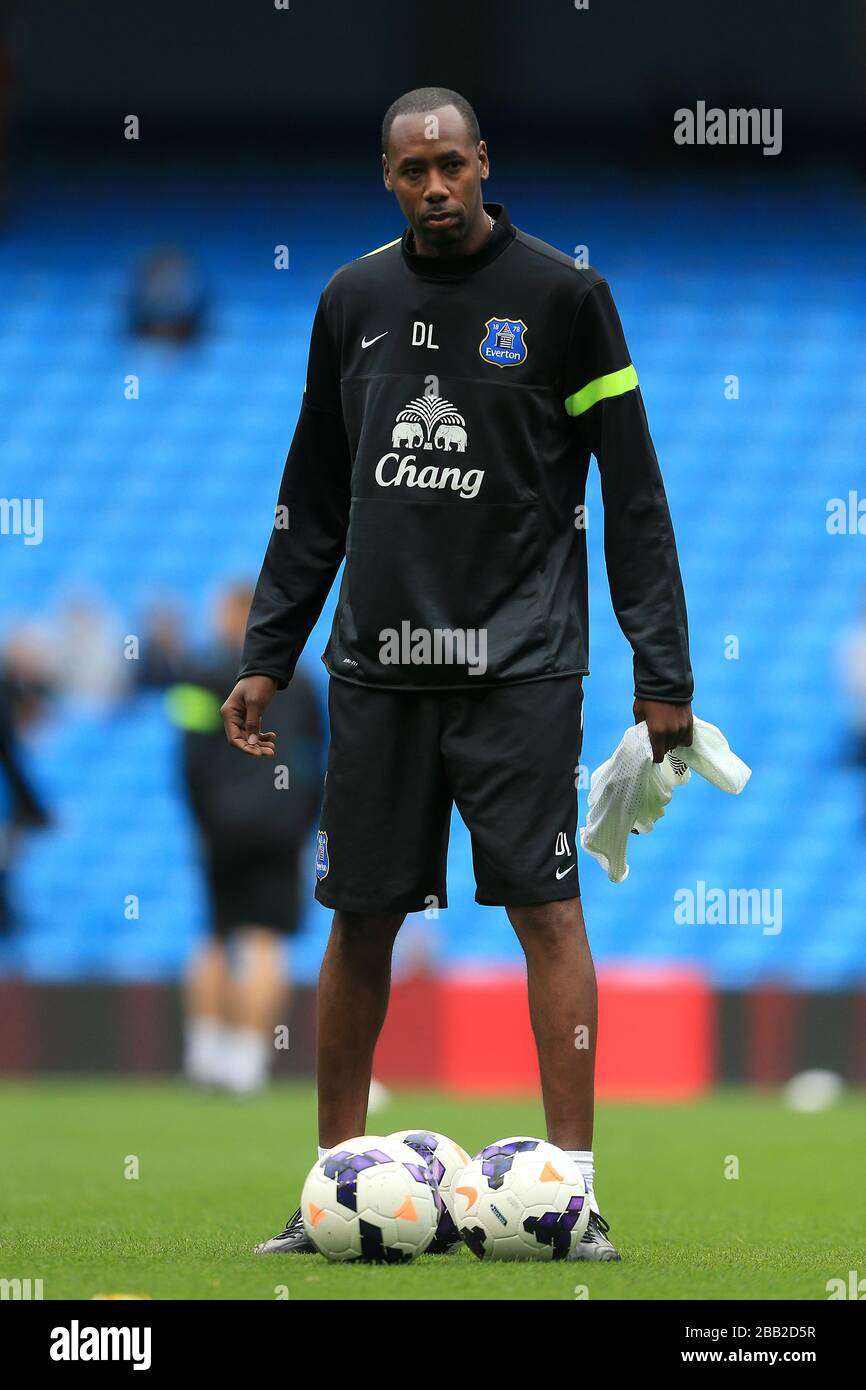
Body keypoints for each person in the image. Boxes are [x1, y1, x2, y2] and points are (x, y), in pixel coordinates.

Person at [220, 88, 694, 1256]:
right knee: (358, 921)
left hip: (518, 667)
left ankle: (571, 1192)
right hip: (377, 670)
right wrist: (267, 653)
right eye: (409, 169)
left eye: (449, 163)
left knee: (546, 913)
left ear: (483, 162)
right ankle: (331, 1183)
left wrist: (662, 673)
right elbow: (311, 494)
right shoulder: (351, 301)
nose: (432, 185)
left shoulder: (563, 300)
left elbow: (631, 496)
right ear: (386, 178)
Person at [172, 583, 324, 1094]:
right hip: (279, 830)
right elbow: (315, 762)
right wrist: (300, 821)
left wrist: (202, 820)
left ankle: (205, 1051)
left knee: (217, 934)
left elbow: (188, 756)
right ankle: (248, 1059)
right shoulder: (298, 683)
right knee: (265, 939)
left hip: (221, 826)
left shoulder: (199, 676)